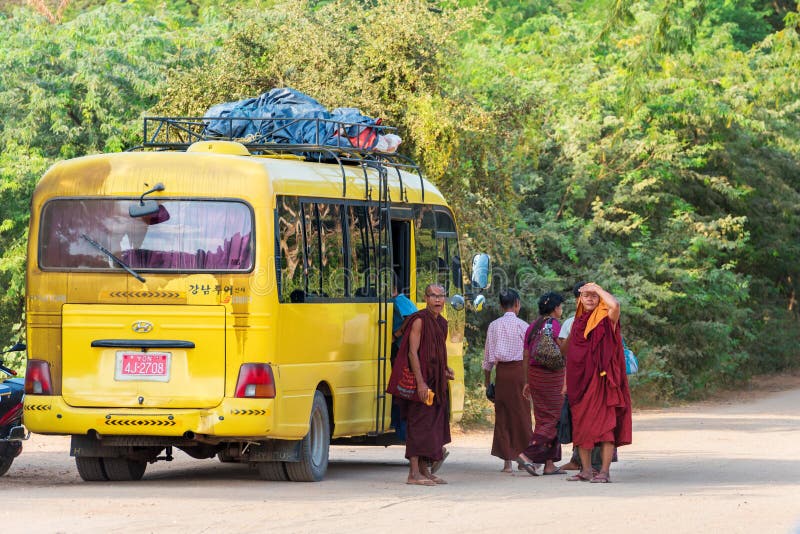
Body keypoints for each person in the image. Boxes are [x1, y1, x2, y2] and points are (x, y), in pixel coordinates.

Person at [564, 282, 632, 483]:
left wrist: (598, 288)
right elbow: (573, 356)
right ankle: (586, 470)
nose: (591, 299)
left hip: (602, 382)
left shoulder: (605, 319)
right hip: (580, 383)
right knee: (581, 428)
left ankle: (604, 471)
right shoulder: (577, 323)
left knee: (605, 427)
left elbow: (615, 306)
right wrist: (566, 383)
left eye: (594, 296)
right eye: (586, 296)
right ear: (580, 299)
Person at [399, 283, 454, 486]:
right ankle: (413, 473)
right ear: (426, 298)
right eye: (433, 296)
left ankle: (425, 470)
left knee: (432, 427)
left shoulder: (442, 323)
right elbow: (412, 353)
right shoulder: (419, 321)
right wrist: (420, 383)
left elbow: (436, 351)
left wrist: (445, 369)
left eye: (441, 296)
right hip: (420, 381)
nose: (438, 300)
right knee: (418, 425)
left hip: (436, 381)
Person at [517, 291, 567, 476]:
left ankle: (549, 464)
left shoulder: (532, 327)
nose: (561, 309)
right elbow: (563, 351)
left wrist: (526, 381)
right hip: (553, 377)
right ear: (555, 308)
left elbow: (526, 356)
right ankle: (527, 455)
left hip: (535, 376)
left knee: (543, 419)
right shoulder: (555, 326)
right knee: (555, 418)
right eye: (560, 306)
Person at [482, 289, 532, 473]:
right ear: (517, 304)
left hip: (501, 373)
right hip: (520, 373)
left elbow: (488, 357)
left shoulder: (494, 326)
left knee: (502, 415)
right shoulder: (523, 326)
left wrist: (488, 383)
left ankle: (507, 463)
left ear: (501, 306)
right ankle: (523, 458)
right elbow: (528, 355)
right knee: (522, 414)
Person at [390, 275, 418, 442]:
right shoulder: (400, 301)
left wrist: (397, 334)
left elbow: (410, 318)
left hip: (404, 349)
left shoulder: (399, 301)